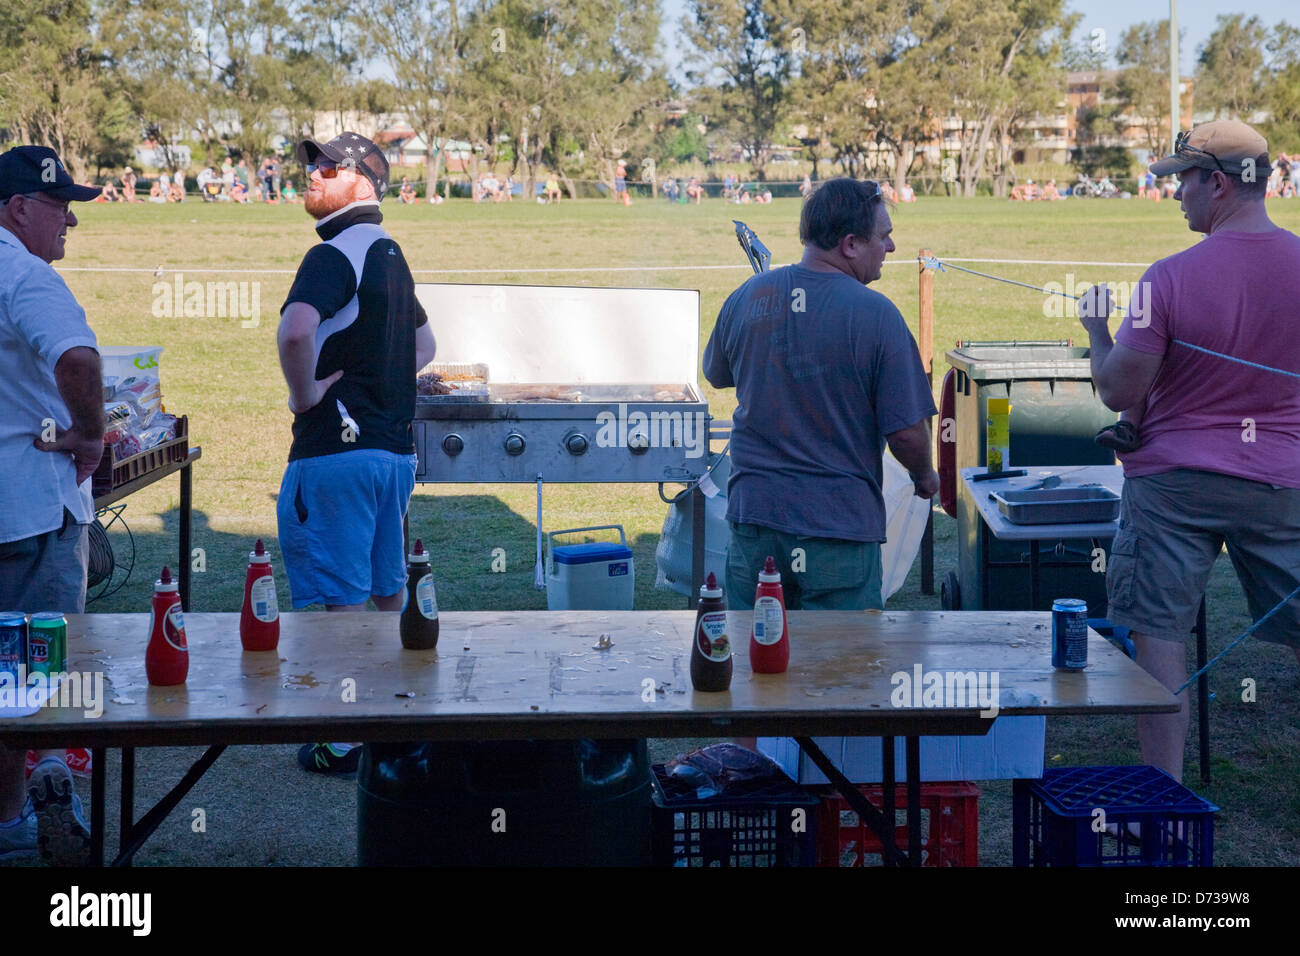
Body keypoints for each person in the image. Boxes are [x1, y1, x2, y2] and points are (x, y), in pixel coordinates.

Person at [1076, 120, 1300, 784]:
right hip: (1284, 483)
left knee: (1160, 634)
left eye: (1182, 181)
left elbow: (1119, 391)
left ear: (1220, 185)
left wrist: (1094, 328)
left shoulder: (1166, 279)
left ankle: (1163, 795)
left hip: (1176, 488)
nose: (1175, 195)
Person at [702, 177, 939, 615]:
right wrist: (926, 476)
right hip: (837, 531)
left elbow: (715, 374)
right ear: (850, 244)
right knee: (841, 672)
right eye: (884, 236)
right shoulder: (879, 316)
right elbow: (906, 433)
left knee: (757, 659)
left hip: (755, 521)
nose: (890, 247)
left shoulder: (746, 297)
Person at [278, 132, 436, 774]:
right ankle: (398, 718)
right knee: (387, 592)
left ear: (364, 183)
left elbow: (295, 330)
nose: (310, 174)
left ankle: (346, 739)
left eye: (327, 167)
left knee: (343, 606)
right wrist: (381, 388)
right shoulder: (392, 253)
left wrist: (305, 394)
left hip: (336, 456)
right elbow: (425, 346)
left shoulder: (334, 253)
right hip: (392, 456)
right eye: (311, 165)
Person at [0, 145, 104, 864]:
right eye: (58, 203)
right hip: (30, 510)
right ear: (16, 209)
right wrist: (91, 437)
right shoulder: (23, 273)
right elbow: (78, 360)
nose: (69, 217)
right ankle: (17, 813)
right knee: (23, 681)